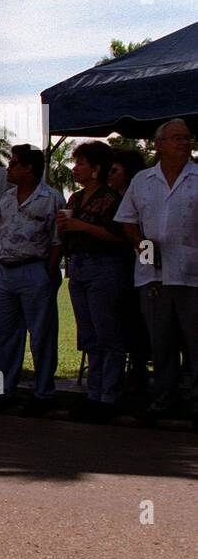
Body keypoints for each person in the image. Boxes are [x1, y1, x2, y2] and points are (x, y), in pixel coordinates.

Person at [115, 118, 198, 427]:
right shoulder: (143, 181)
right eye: (177, 137)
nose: (184, 142)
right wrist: (145, 249)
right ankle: (164, 400)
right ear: (159, 144)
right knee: (160, 342)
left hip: (192, 273)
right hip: (152, 274)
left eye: (187, 137)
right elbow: (127, 219)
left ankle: (195, 402)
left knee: (194, 341)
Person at [0, 144, 62, 415]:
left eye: (15, 163)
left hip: (34, 269)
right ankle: (2, 392)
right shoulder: (6, 198)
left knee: (41, 335)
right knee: (1, 335)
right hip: (5, 272)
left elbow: (57, 240)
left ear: (29, 168)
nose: (10, 168)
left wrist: (49, 272)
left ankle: (44, 394)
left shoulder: (50, 198)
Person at [57, 141, 129, 422]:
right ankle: (93, 393)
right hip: (79, 266)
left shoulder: (112, 200)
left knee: (107, 331)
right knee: (88, 334)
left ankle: (108, 395)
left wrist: (83, 226)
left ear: (96, 168)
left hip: (104, 266)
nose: (75, 169)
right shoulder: (74, 199)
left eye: (81, 164)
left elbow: (121, 237)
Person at [109, 147, 150, 398]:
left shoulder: (140, 195)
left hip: (140, 269)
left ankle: (140, 375)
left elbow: (141, 234)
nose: (110, 175)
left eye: (115, 170)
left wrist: (147, 260)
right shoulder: (112, 198)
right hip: (119, 270)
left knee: (140, 323)